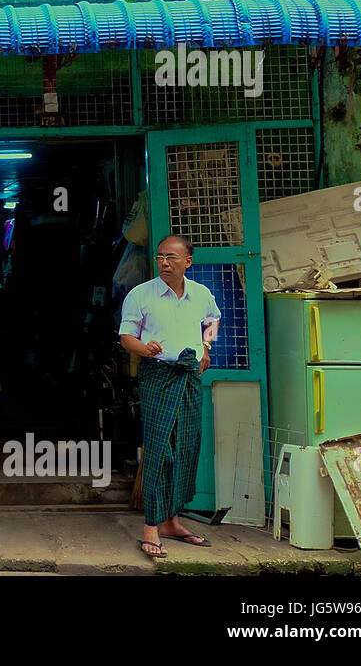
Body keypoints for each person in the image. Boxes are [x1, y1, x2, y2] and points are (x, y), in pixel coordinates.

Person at [119, 234, 221, 559]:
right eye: (160, 257)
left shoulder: (202, 294)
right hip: (158, 376)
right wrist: (143, 348)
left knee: (186, 447)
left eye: (171, 257)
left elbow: (213, 319)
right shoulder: (141, 295)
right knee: (160, 449)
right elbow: (125, 337)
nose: (164, 262)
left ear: (187, 262)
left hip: (189, 376)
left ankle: (171, 521)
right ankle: (150, 527)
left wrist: (206, 347)